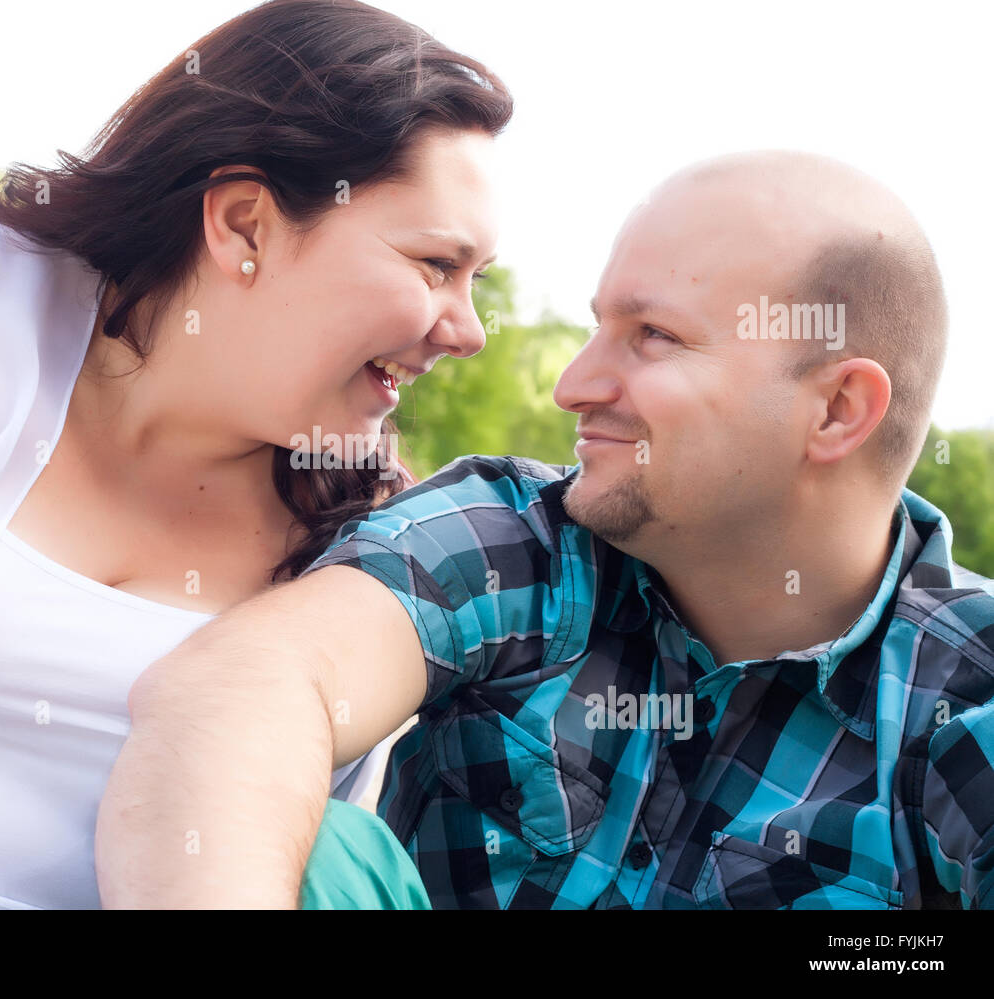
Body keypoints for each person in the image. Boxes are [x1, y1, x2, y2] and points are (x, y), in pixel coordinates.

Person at [0, 0, 508, 909]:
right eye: (437, 265)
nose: (469, 329)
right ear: (245, 223)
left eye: (480, 282)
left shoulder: (380, 535)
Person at [97, 149, 994, 909]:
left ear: (838, 409)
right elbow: (247, 687)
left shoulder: (965, 700)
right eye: (597, 327)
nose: (574, 384)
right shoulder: (518, 540)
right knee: (323, 853)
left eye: (653, 337)